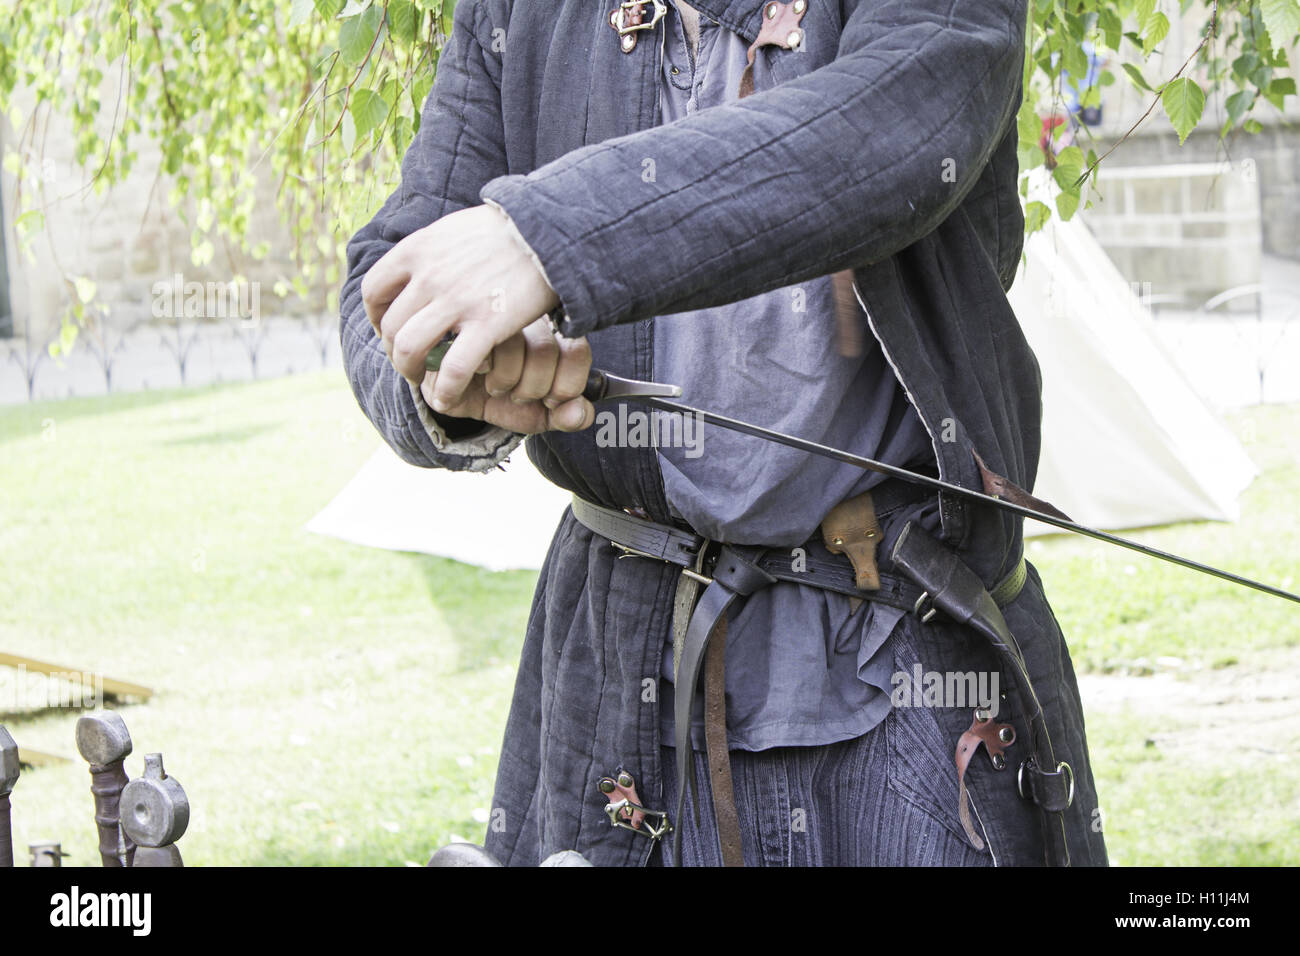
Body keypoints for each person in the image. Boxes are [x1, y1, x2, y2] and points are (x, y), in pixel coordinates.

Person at [341, 0, 1108, 867]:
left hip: (915, 670)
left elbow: (892, 131)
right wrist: (456, 369)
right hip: (623, 673)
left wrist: (550, 240)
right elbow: (391, 280)